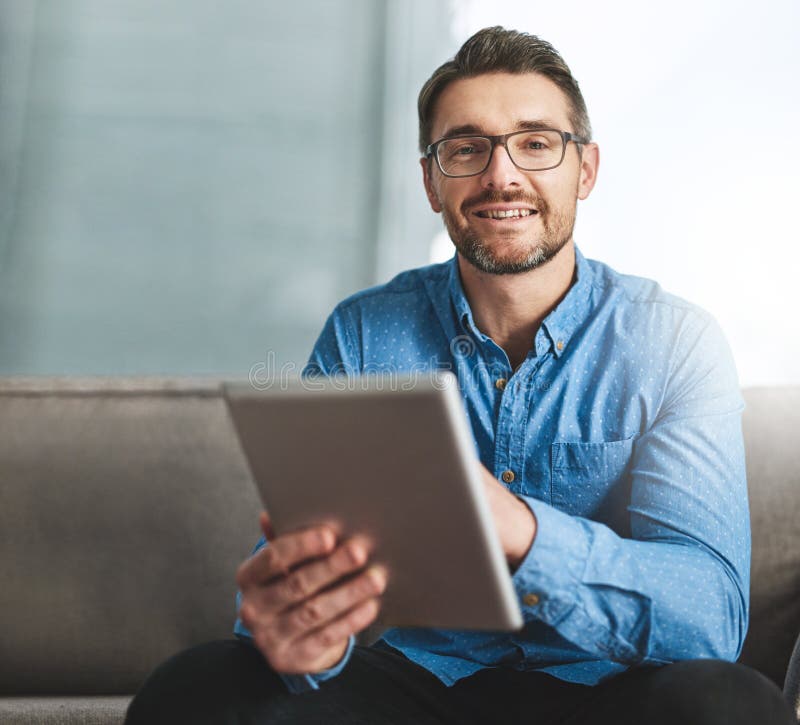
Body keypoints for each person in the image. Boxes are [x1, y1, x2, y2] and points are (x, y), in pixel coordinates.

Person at [125, 26, 794, 724]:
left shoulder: (675, 340)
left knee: (734, 706)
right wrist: (304, 632)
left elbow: (710, 612)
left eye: (536, 143)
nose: (501, 174)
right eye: (466, 148)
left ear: (586, 170)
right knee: (191, 693)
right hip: (417, 683)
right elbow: (301, 566)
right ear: (430, 180)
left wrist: (526, 532)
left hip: (608, 690)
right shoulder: (364, 333)